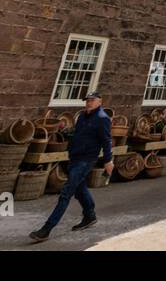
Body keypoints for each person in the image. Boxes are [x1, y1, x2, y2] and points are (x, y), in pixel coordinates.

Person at [30, 92, 112, 242]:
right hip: (75, 156)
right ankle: (89, 215)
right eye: (87, 100)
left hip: (87, 159)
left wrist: (108, 160)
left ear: (100, 102)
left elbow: (106, 141)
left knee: (66, 192)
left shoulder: (102, 119)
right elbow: (77, 135)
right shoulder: (81, 117)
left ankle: (47, 229)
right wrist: (64, 131)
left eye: (92, 100)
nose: (89, 103)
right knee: (80, 188)